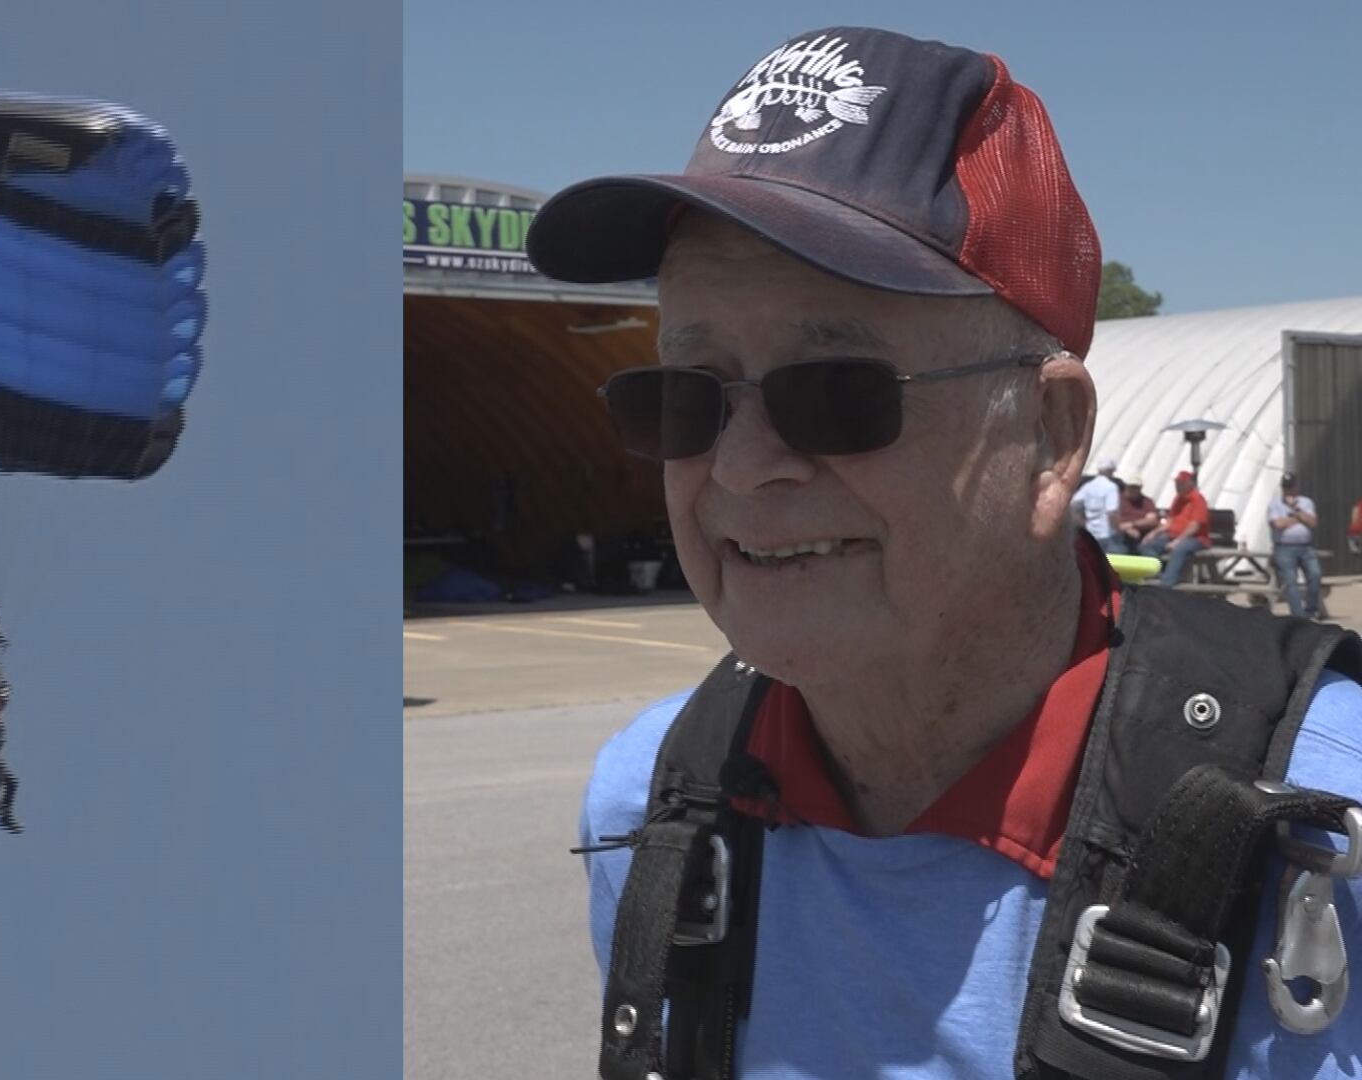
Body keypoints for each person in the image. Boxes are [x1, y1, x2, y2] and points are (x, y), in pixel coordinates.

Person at [526, 24, 1362, 1079]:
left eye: (837, 393)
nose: (739, 467)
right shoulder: (652, 806)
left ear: (1049, 437)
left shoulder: (1323, 821)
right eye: (682, 398)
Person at [1140, 470, 1213, 586]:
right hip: (1173, 536)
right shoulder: (1178, 499)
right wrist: (1153, 533)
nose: (1178, 486)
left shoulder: (1198, 500)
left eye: (1181, 484)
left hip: (1196, 538)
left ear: (1190, 484)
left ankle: (1166, 584)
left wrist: (1177, 541)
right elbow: (1169, 522)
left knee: (1179, 549)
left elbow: (1195, 526)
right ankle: (1155, 574)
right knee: (1148, 545)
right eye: (1177, 483)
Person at [1272, 472, 1327, 619]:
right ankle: (1299, 616)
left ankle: (1310, 610)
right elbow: (1277, 524)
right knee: (1290, 581)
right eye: (1286, 487)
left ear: (1296, 486)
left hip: (1305, 546)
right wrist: (1300, 519)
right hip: (1284, 547)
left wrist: (1296, 511)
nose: (1289, 490)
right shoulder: (1275, 503)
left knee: (1315, 574)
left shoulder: (1306, 502)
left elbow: (1313, 522)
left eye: (1291, 487)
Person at [1070, 458, 1125, 554]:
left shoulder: (1088, 486)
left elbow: (1073, 505)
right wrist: (1117, 529)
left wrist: (1082, 522)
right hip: (1106, 533)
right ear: (1111, 471)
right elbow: (1111, 512)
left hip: (1091, 531)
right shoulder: (1111, 487)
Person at [1116, 479, 1162, 553]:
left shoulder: (1147, 502)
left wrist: (1132, 525)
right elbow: (1111, 518)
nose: (1133, 490)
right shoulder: (1117, 499)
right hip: (1120, 535)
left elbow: (1152, 521)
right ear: (1126, 487)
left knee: (1150, 552)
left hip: (1142, 536)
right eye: (1131, 487)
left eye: (1136, 488)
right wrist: (1127, 529)